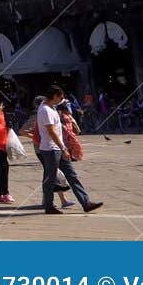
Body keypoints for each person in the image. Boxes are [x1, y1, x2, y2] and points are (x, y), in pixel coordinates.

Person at [35, 86, 101, 215]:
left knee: (72, 175)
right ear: (54, 96)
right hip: (51, 150)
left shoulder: (51, 107)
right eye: (60, 96)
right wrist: (63, 148)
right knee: (50, 178)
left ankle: (85, 202)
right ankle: (48, 206)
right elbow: (51, 132)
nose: (62, 99)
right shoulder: (45, 110)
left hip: (57, 149)